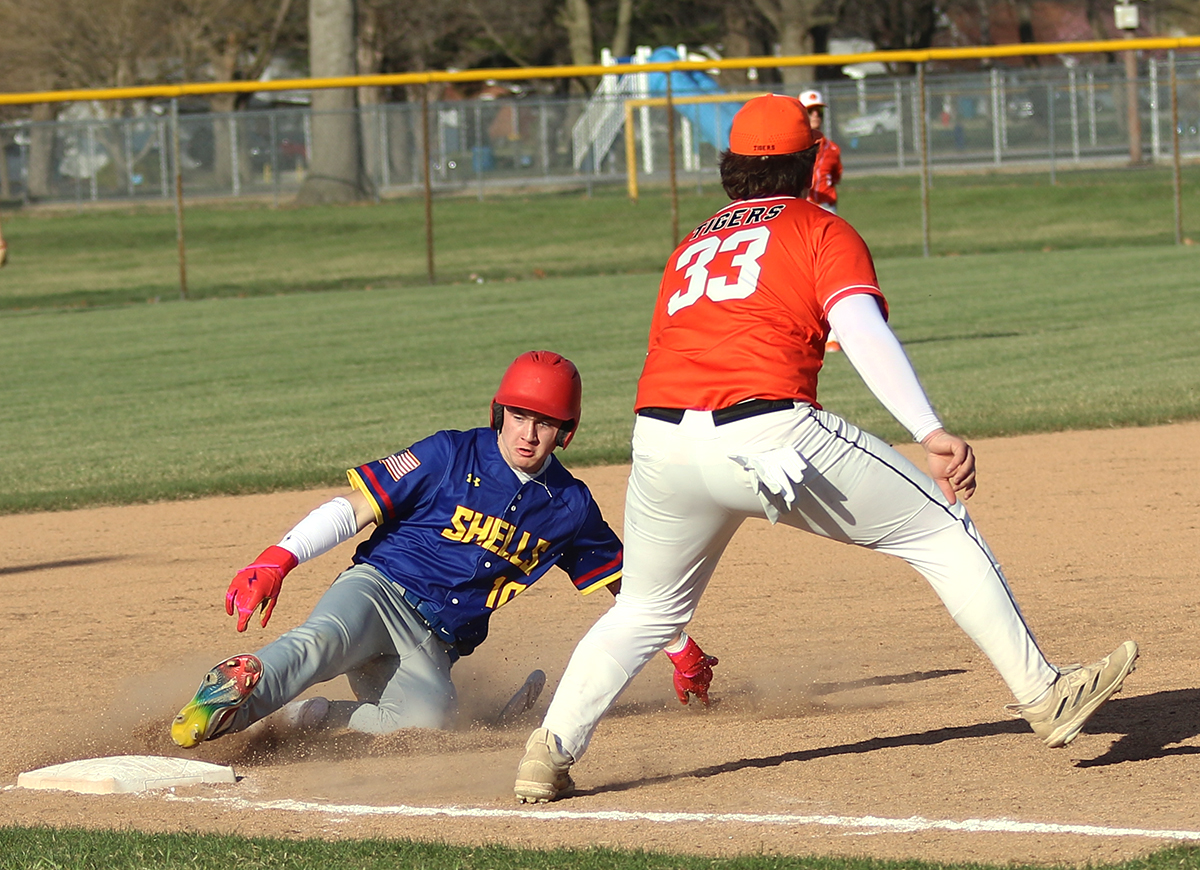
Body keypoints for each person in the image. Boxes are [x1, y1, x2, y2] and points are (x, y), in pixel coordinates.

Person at [512, 96, 1138, 804]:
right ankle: (1044, 694)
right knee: (939, 526)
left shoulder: (690, 243)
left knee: (647, 610)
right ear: (810, 161)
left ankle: (548, 751)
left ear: (731, 169)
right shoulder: (817, 226)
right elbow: (862, 334)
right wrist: (930, 430)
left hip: (659, 443)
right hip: (769, 435)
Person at [171, 350, 717, 748]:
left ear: (566, 434)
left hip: (433, 643)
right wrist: (278, 558)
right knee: (321, 643)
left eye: (545, 423)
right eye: (519, 415)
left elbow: (627, 588)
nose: (528, 432)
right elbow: (356, 508)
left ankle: (311, 717)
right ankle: (230, 696)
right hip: (378, 592)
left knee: (423, 731)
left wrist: (679, 647)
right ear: (498, 411)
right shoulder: (449, 453)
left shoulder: (570, 506)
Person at [798, 89, 842, 215]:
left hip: (826, 206)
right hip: (803, 206)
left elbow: (835, 177)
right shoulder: (794, 148)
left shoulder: (832, 148)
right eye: (810, 111)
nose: (816, 115)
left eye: (819, 111)